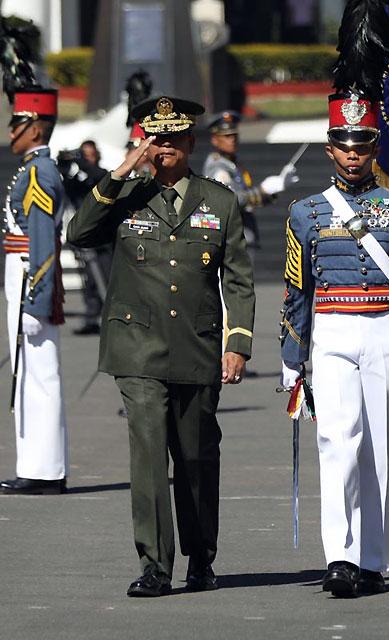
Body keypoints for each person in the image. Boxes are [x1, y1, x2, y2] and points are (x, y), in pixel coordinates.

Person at [67, 95, 255, 597]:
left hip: (196, 345)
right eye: (155, 139)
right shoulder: (126, 194)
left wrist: (237, 343)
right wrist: (121, 170)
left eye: (172, 139)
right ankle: (155, 564)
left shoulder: (218, 200)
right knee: (149, 455)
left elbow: (238, 280)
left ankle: (200, 558)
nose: (163, 148)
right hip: (137, 347)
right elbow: (79, 233)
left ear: (190, 143)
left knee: (196, 458)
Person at [279, 90, 389, 597]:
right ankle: (340, 557)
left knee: (380, 445)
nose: (353, 154)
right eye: (344, 145)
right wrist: (292, 356)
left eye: (363, 145)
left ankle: (373, 559)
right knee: (337, 441)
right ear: (330, 148)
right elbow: (297, 290)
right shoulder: (305, 213)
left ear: (375, 148)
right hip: (332, 329)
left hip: (383, 328)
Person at [0, 87, 68, 496]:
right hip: (20, 271)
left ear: (36, 128)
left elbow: (42, 238)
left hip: (29, 274)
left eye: (17, 123)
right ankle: (37, 465)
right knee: (29, 372)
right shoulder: (30, 168)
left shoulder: (39, 172)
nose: (10, 130)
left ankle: (45, 471)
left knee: (39, 371)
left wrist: (37, 301)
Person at [202, 110, 297, 257]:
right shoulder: (218, 167)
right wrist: (263, 189)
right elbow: (230, 200)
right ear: (215, 139)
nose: (232, 139)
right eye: (227, 136)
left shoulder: (233, 164)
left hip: (241, 238)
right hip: (229, 241)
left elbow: (249, 201)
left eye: (235, 135)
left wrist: (273, 190)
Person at [59, 139, 112, 335]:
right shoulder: (81, 182)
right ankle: (92, 318)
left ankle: (111, 320)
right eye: (84, 155)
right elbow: (68, 190)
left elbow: (99, 177)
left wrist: (82, 163)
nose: (87, 159)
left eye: (89, 155)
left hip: (104, 240)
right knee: (89, 282)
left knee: (106, 280)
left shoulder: (105, 176)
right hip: (86, 241)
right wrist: (64, 169)